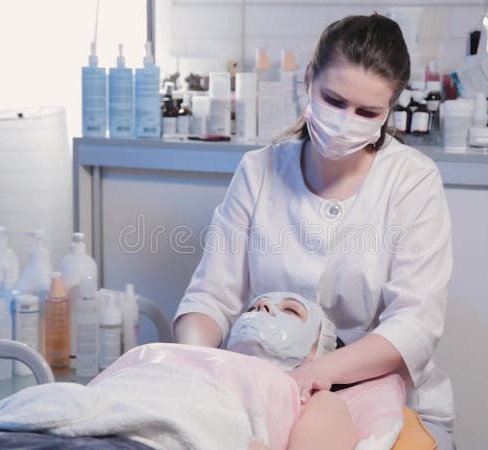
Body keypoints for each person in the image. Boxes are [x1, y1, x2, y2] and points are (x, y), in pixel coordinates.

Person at [174, 13, 455, 449]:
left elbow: (414, 324)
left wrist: (317, 374)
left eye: (367, 112)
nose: (346, 120)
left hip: (379, 395)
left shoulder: (412, 181)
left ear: (390, 110)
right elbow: (211, 296)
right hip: (263, 389)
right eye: (334, 100)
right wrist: (193, 363)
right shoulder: (259, 170)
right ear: (309, 80)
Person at [0, 292, 375, 450]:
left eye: (290, 310)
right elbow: (93, 403)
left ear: (316, 349)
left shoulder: (310, 396)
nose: (265, 310)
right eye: (255, 307)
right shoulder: (164, 353)